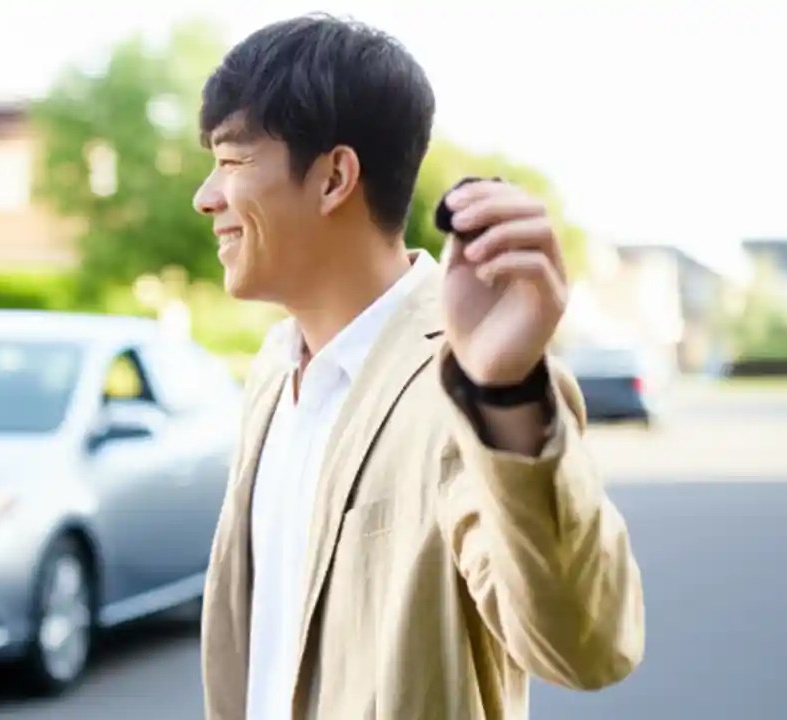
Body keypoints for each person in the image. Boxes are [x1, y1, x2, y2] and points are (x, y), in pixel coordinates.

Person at [191, 14, 645, 720]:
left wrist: (503, 391)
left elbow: (585, 647)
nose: (205, 196)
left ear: (334, 177)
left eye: (233, 161)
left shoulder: (465, 381)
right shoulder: (274, 372)